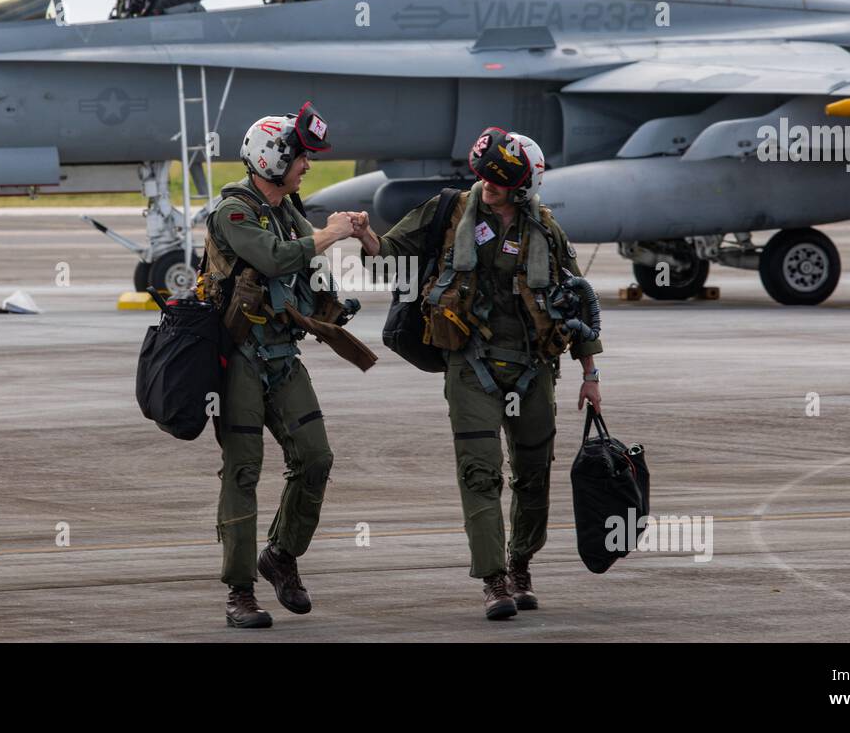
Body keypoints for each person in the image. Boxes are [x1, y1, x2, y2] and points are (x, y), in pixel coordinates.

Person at [353, 127, 604, 620]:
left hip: (533, 368)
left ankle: (521, 563)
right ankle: (493, 580)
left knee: (533, 475)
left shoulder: (546, 230)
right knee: (480, 472)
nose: (489, 186)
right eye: (485, 177)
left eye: (500, 180)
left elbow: (578, 299)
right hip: (471, 365)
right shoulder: (448, 212)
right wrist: (364, 235)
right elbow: (387, 254)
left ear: (523, 186)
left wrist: (590, 373)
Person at [199, 102, 358, 629]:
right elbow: (272, 257)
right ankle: (240, 591)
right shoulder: (234, 212)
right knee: (243, 473)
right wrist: (331, 234)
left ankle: (281, 555)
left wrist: (333, 307)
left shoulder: (287, 210)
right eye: (301, 159)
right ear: (273, 160)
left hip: (282, 359)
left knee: (316, 458)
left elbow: (301, 269)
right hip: (240, 364)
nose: (307, 167)